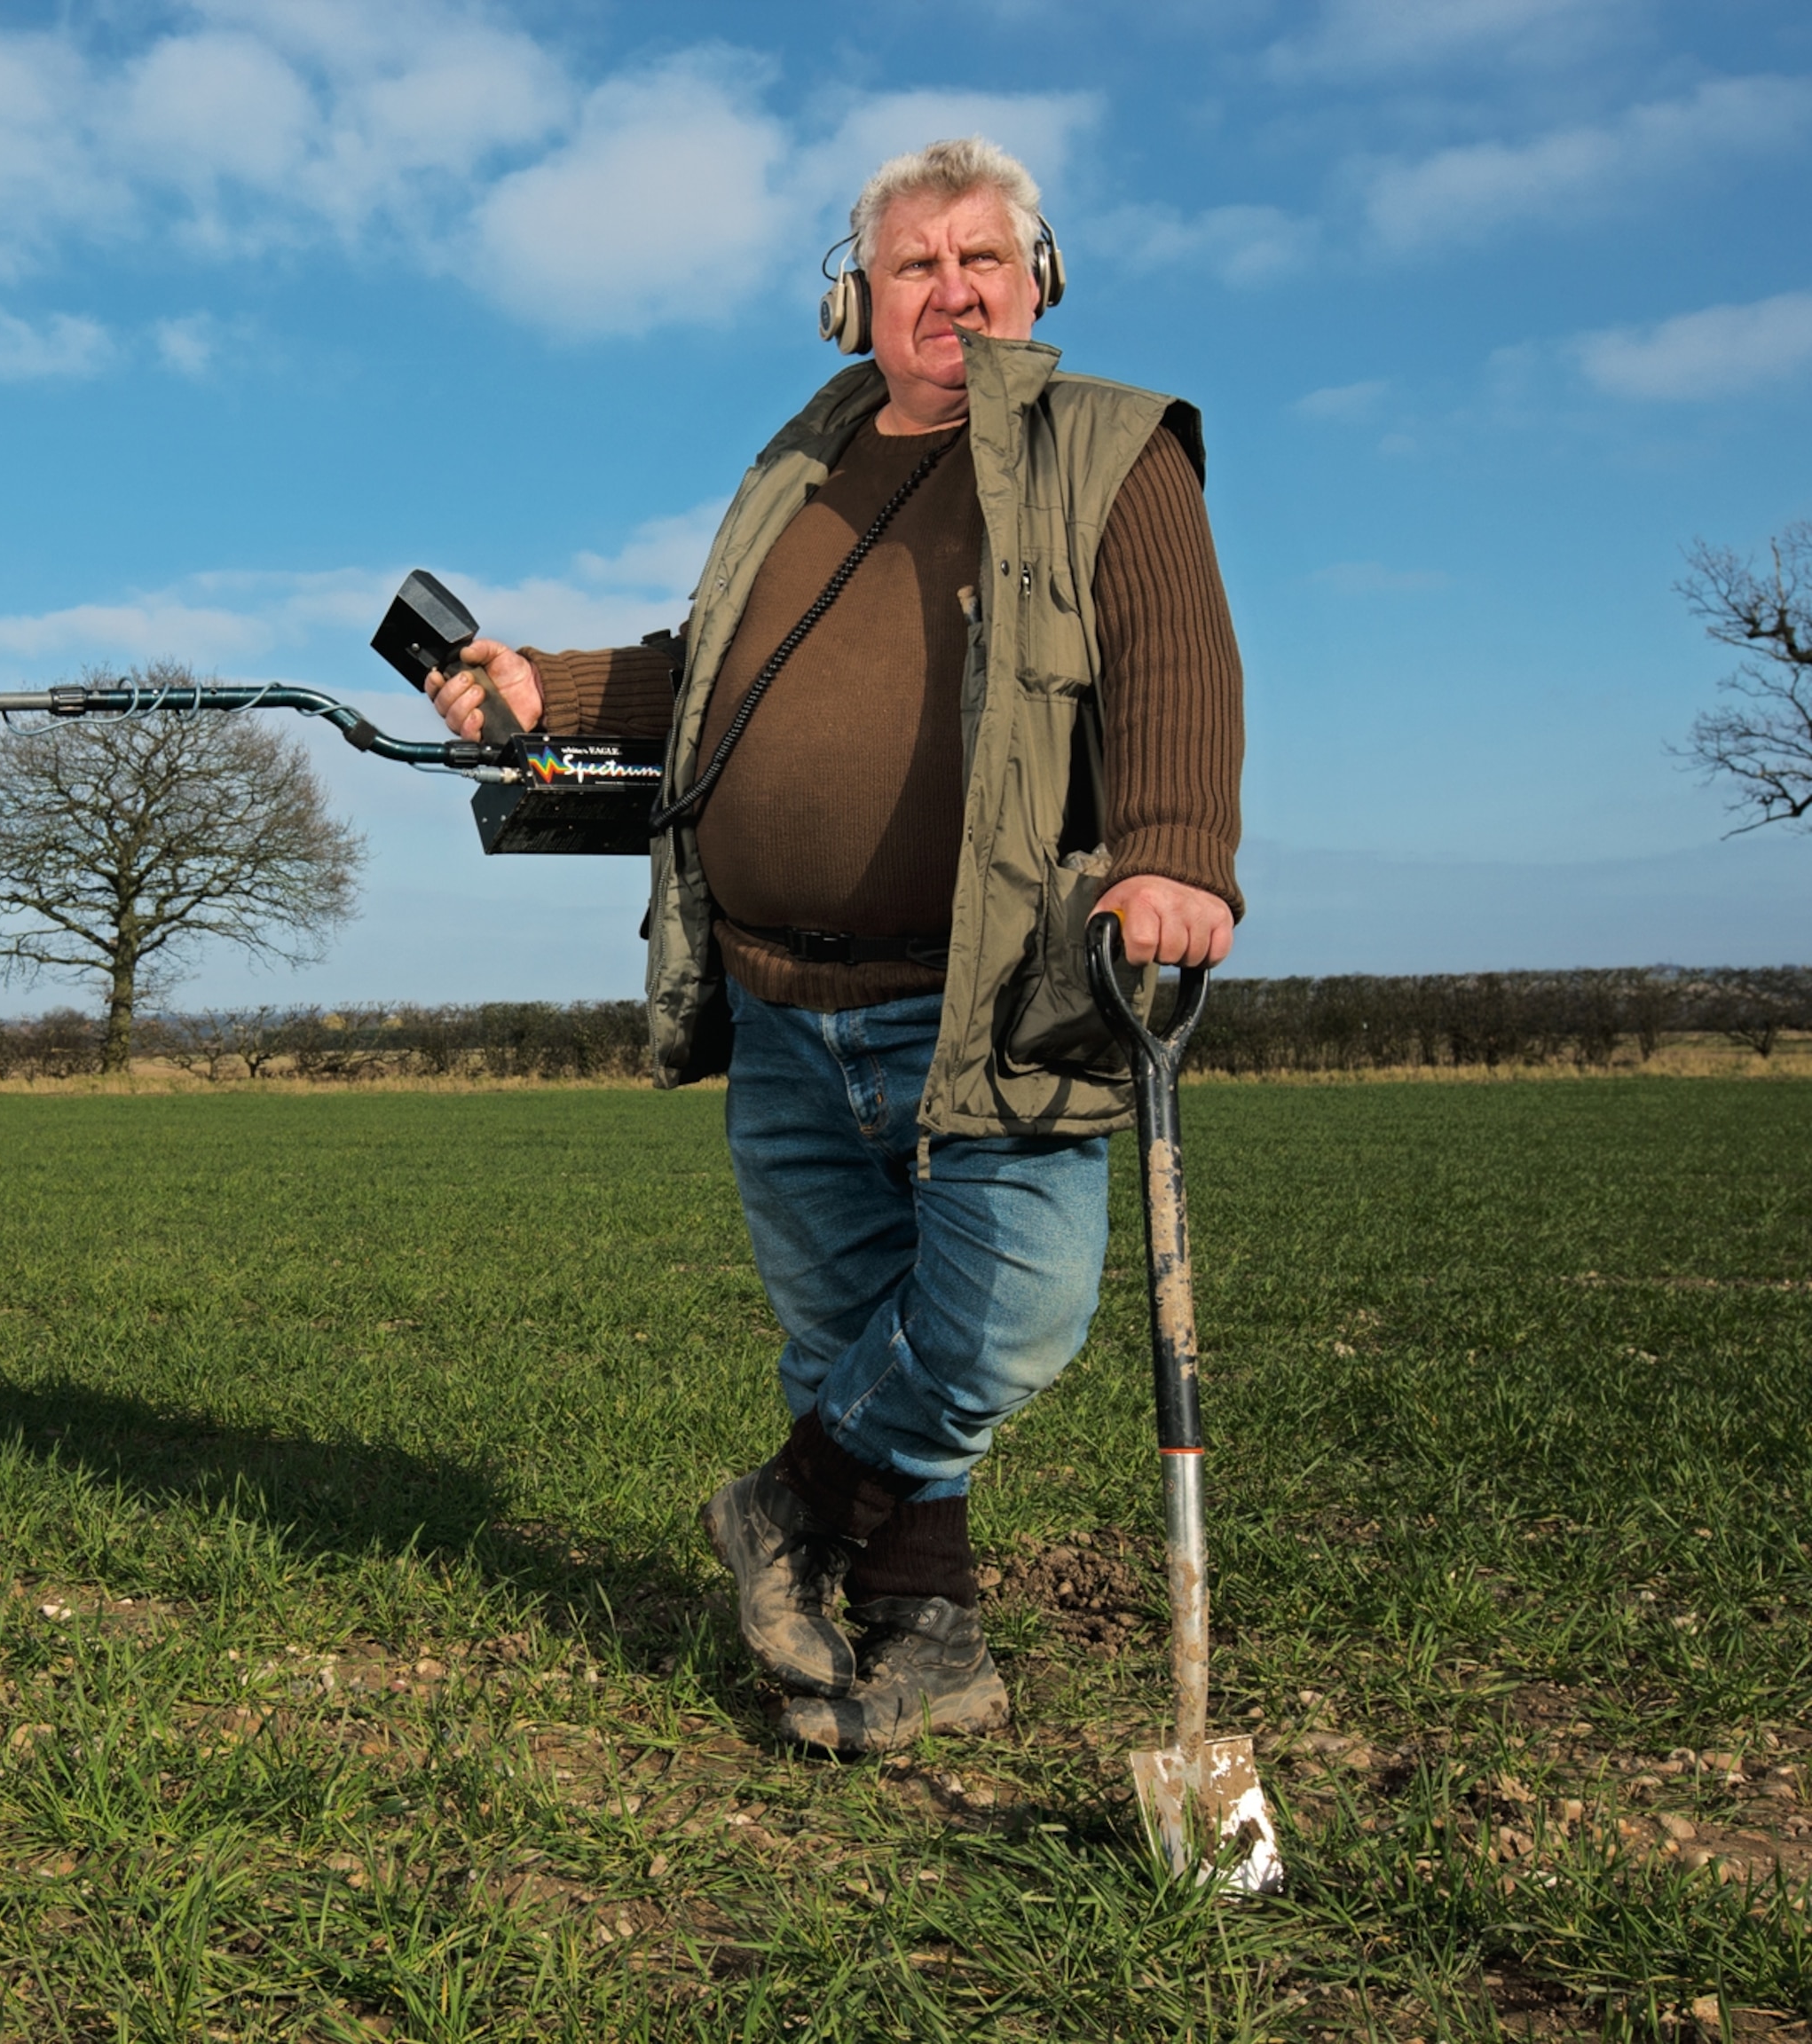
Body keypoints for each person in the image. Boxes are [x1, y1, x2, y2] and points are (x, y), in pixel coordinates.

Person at [421, 138, 1244, 1755]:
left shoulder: (1104, 446)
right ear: (854, 299)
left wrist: (1173, 856)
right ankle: (927, 1645)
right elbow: (708, 671)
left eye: (981, 260)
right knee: (848, 1323)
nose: (952, 290)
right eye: (915, 265)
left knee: (1008, 1313)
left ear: (1038, 278)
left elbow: (1171, 654)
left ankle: (782, 1508)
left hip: (993, 991)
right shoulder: (798, 470)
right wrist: (548, 695)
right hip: (780, 990)